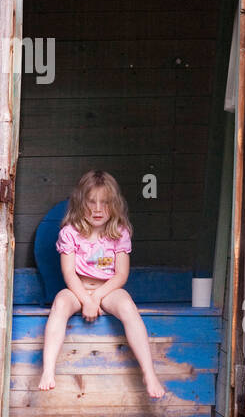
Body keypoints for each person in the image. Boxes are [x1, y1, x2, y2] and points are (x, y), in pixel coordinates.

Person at [38, 170, 166, 400]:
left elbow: (121, 275)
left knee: (127, 306)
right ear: (79, 203)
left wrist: (97, 297)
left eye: (105, 202)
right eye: (91, 202)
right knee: (59, 304)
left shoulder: (119, 233)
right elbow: (68, 272)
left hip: (108, 289)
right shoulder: (70, 233)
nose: (98, 209)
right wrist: (86, 298)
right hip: (77, 288)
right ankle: (48, 369)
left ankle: (149, 373)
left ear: (115, 205)